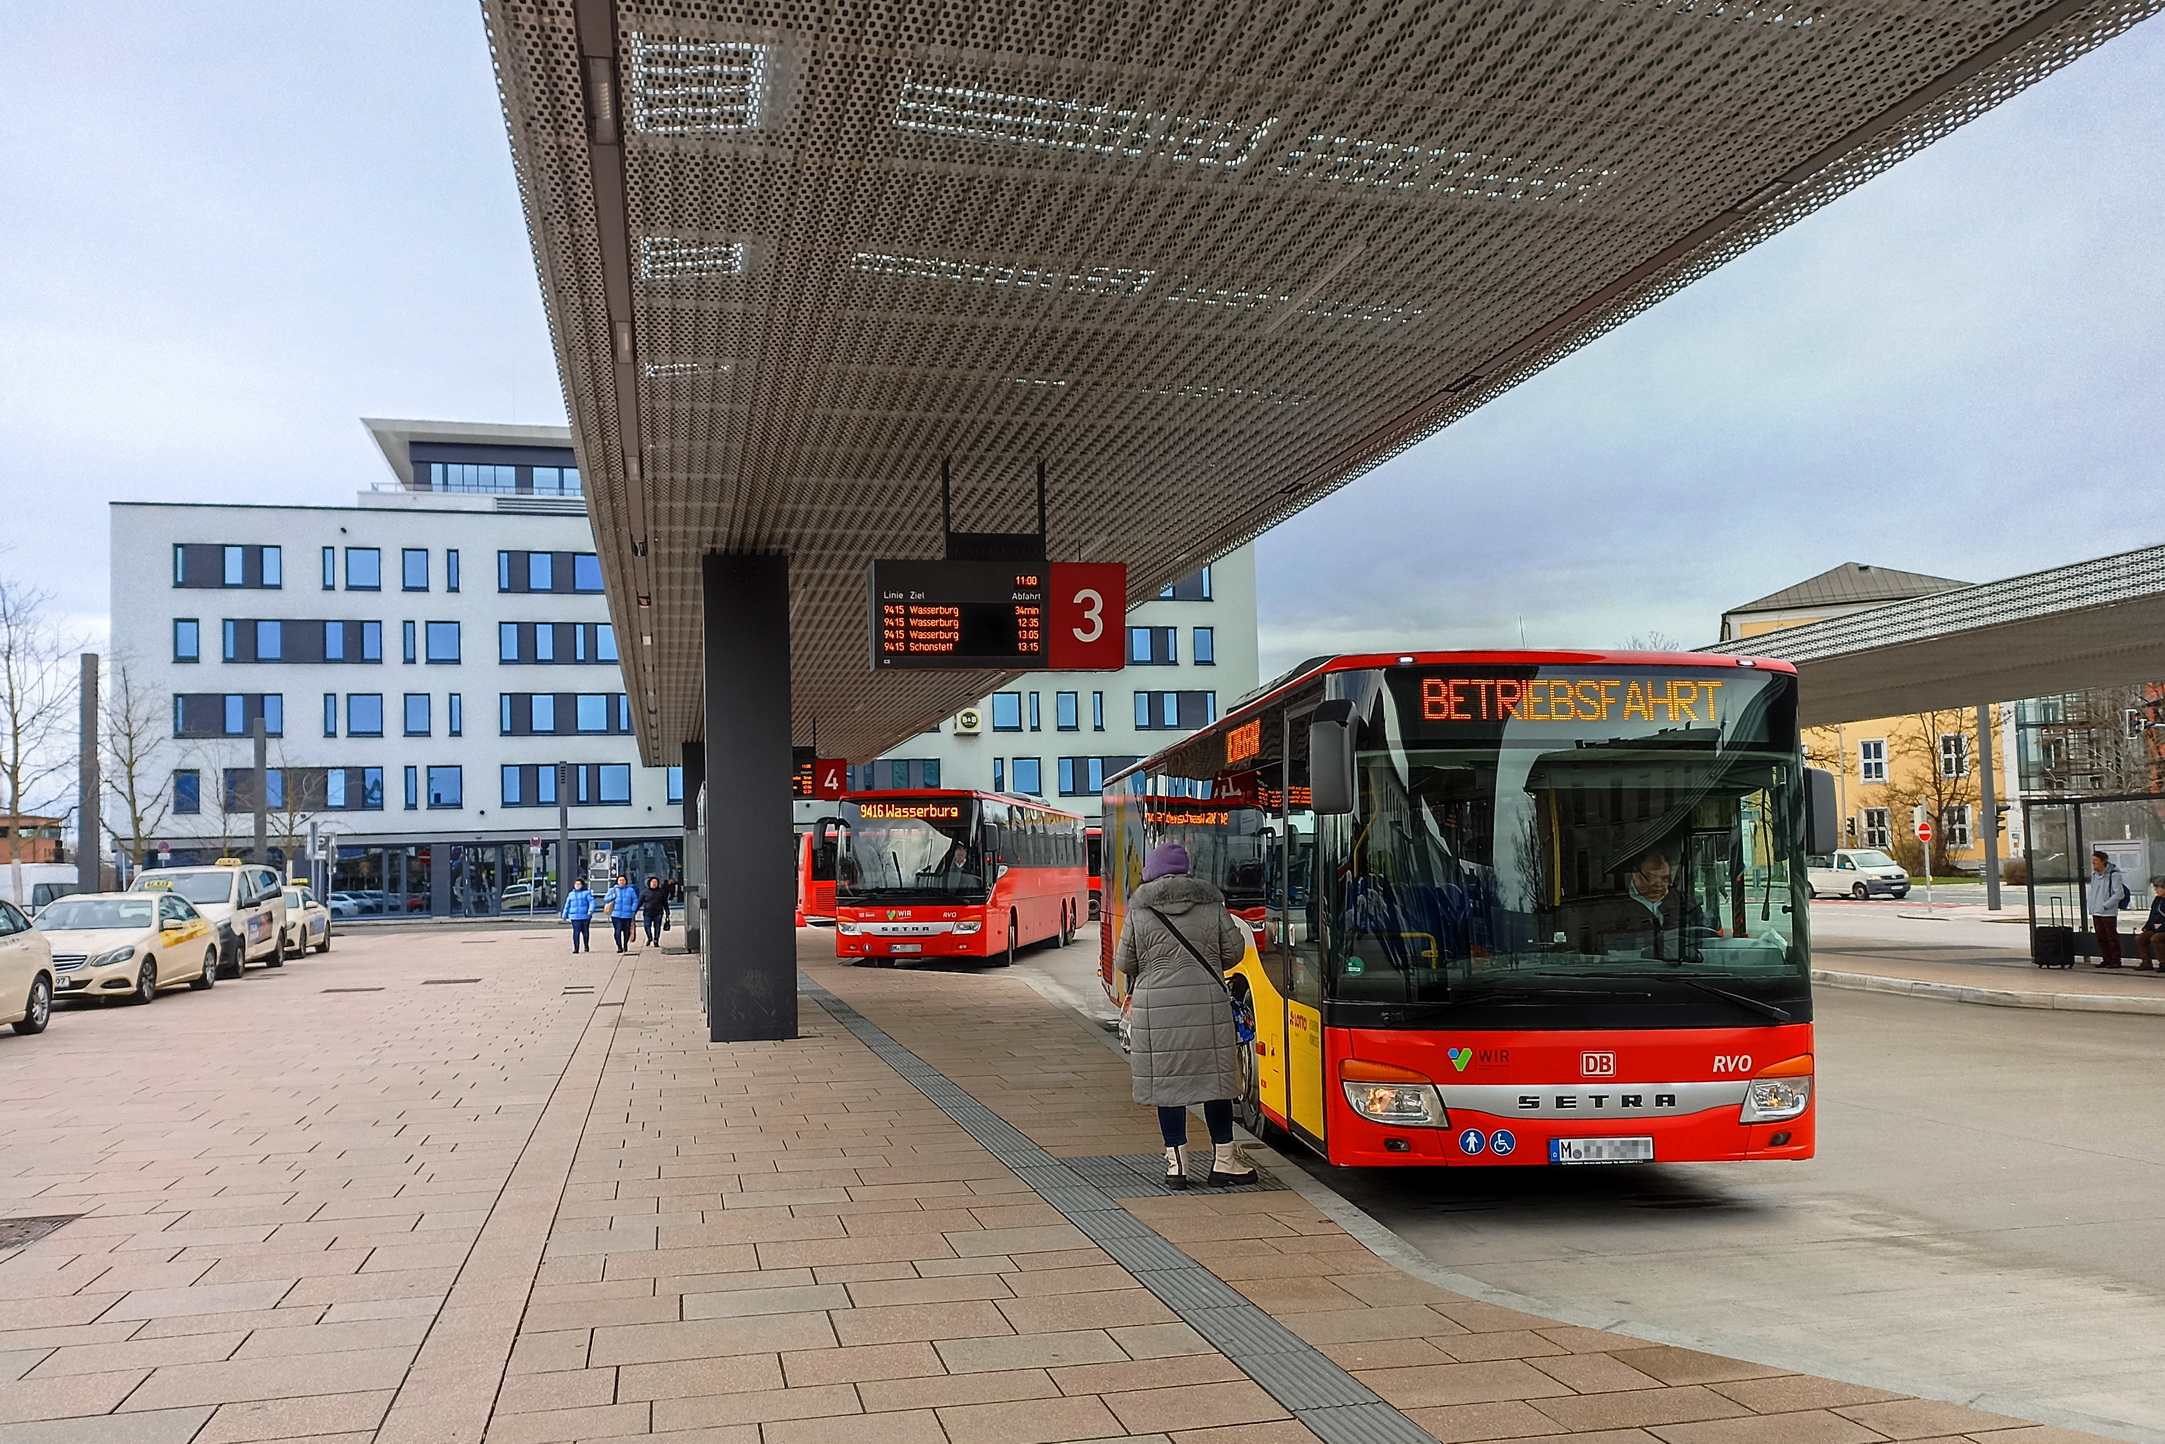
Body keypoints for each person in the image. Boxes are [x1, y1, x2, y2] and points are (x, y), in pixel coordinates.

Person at [1115, 843, 1257, 1189]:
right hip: (1207, 1006)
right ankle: (1224, 1161)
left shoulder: (1140, 911)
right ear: (1186, 870)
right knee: (1216, 1083)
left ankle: (1176, 1166)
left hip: (1156, 1012)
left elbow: (1124, 963)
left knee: (1167, 1087)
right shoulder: (1211, 904)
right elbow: (1234, 952)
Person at [2087, 850, 2131, 968]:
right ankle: (2106, 958)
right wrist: (2092, 905)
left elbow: (2119, 894)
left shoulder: (2114, 875)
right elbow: (2093, 891)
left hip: (2108, 912)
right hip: (2096, 910)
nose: (2093, 864)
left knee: (2111, 936)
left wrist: (2106, 905)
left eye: (2096, 861)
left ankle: (2115, 959)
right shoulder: (2094, 875)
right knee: (2101, 937)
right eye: (2092, 861)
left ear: (2103, 861)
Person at [605, 874, 641, 953]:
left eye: (623, 880)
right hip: (616, 915)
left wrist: (633, 909)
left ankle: (625, 944)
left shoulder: (630, 890)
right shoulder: (613, 890)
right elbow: (606, 899)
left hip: (627, 914)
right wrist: (612, 896)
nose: (622, 882)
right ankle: (619, 946)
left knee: (627, 931)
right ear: (617, 881)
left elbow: (635, 900)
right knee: (617, 930)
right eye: (620, 880)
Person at [2136, 879, 2165, 972]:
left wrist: (2160, 927)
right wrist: (2147, 926)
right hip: (2155, 928)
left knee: (2156, 938)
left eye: (2158, 888)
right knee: (2140, 938)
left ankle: (2163, 963)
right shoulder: (2157, 899)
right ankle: (2146, 962)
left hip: (2162, 929)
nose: (2156, 890)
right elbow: (2152, 914)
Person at [560, 877, 595, 953]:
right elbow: (567, 905)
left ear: (582, 885)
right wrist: (564, 914)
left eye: (579, 884)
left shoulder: (586, 893)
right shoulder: (571, 894)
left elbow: (591, 902)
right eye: (576, 884)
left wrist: (590, 910)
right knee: (576, 932)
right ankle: (576, 948)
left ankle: (586, 945)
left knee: (585, 932)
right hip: (574, 916)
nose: (577, 885)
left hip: (585, 916)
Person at [640, 874, 669, 947]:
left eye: (656, 882)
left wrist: (667, 911)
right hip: (647, 912)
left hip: (658, 912)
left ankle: (656, 939)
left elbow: (665, 902)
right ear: (649, 883)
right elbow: (640, 902)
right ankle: (649, 937)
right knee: (647, 926)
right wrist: (635, 911)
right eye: (653, 882)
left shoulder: (661, 892)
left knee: (657, 927)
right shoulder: (645, 892)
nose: (654, 883)